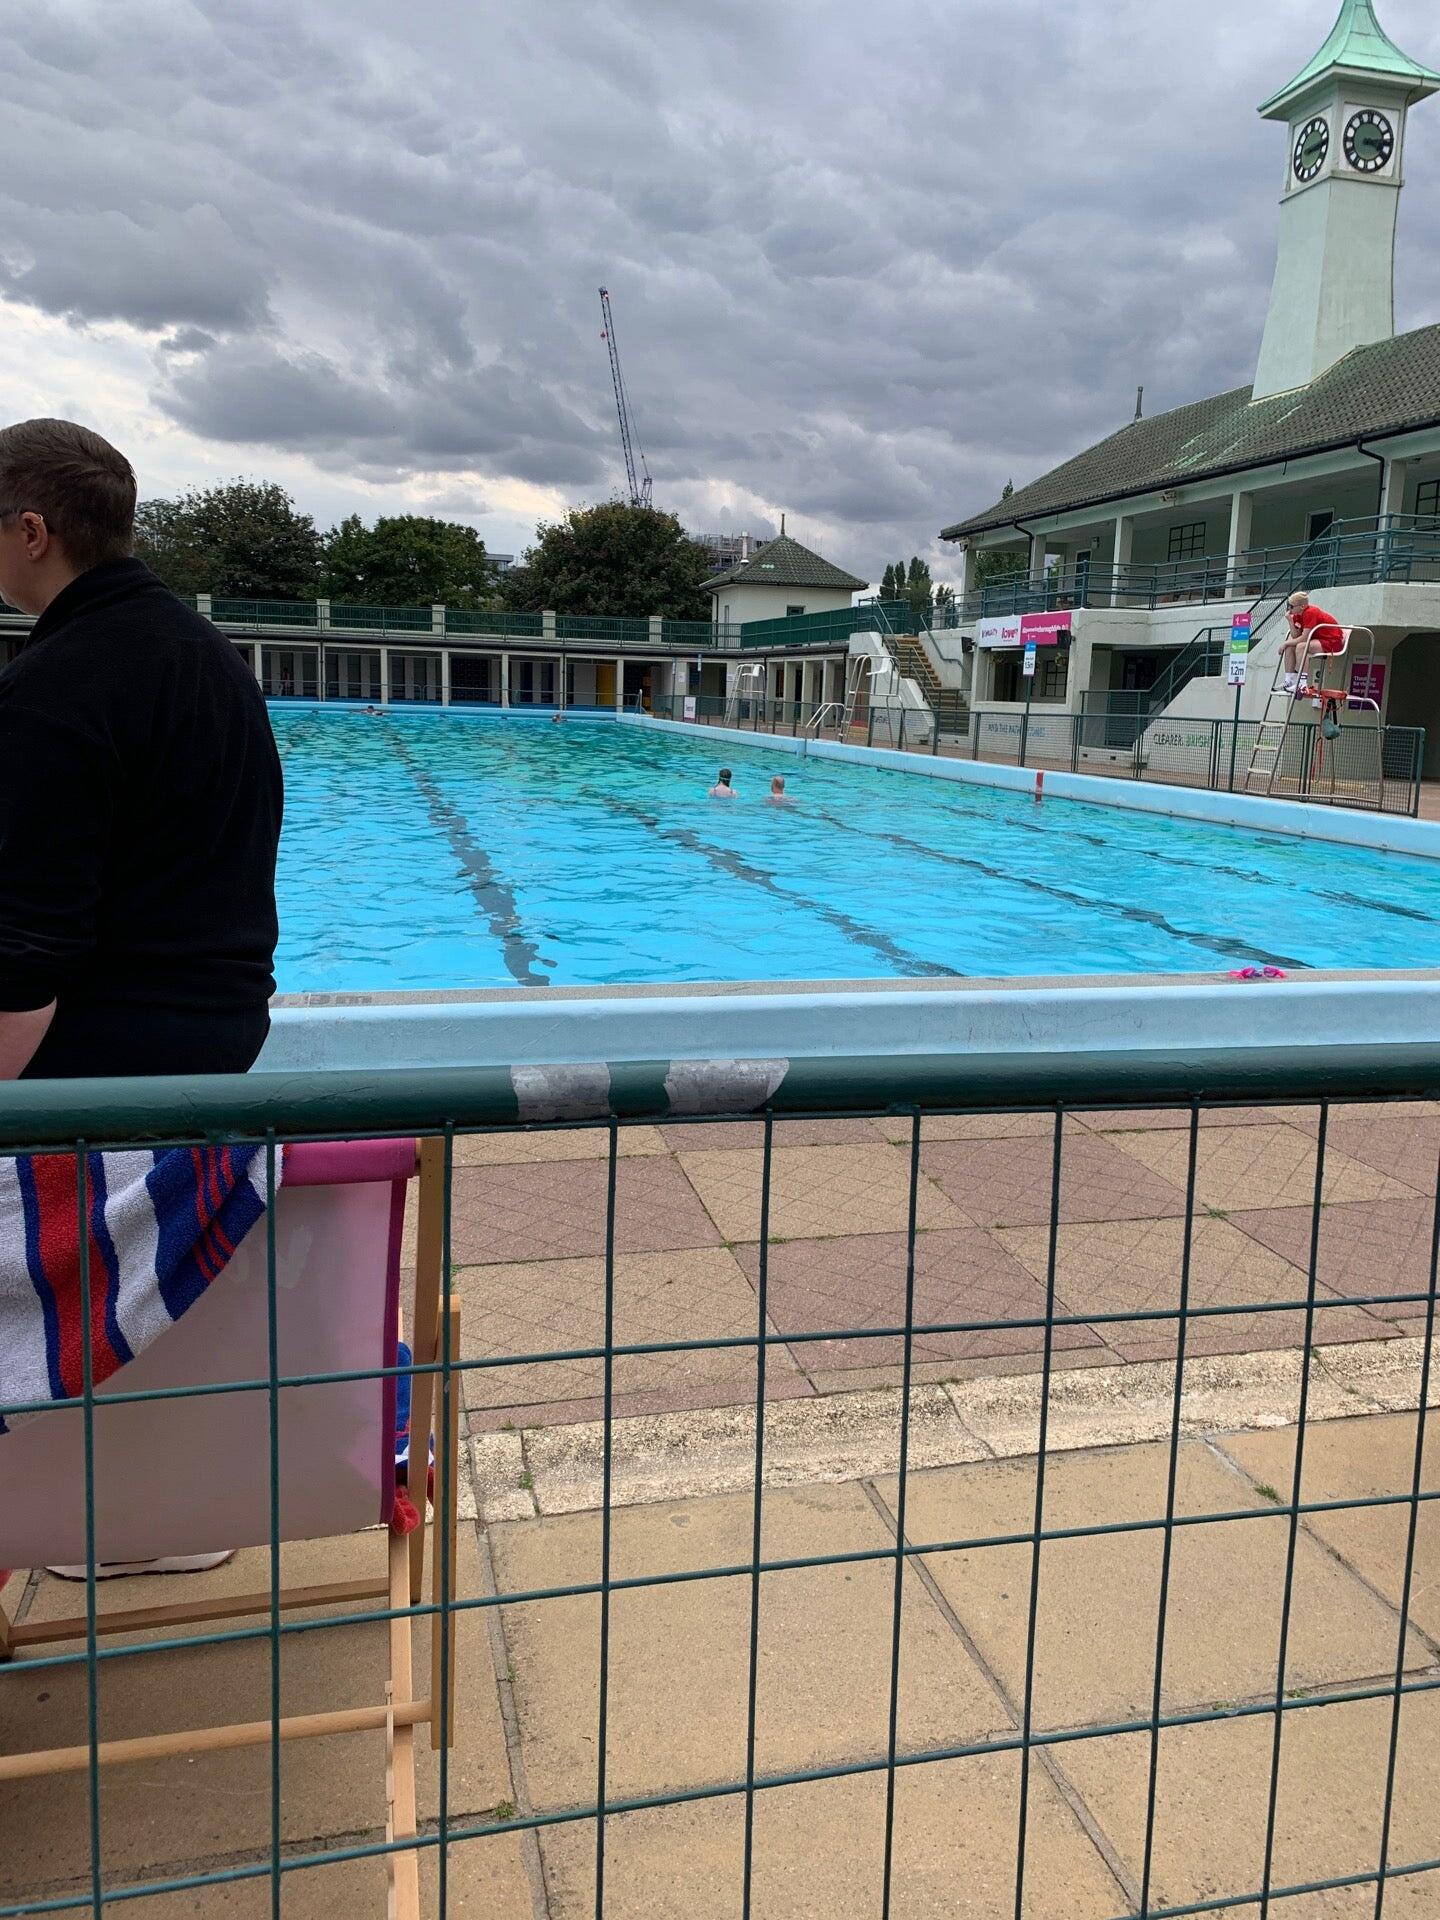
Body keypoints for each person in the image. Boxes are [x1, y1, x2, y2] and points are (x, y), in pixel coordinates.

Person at [0, 418, 284, 1081]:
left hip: (104, 1057)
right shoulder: (212, 659)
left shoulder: (55, 686)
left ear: (33, 533)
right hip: (224, 1035)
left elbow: (24, 952)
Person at [1280, 591, 1345, 695]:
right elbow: (1296, 636)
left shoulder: (1310, 612)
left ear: (1302, 606)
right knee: (1290, 647)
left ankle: (1302, 684)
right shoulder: (1297, 615)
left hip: (1331, 640)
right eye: (1288, 606)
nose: (1289, 609)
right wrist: (1290, 622)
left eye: (1291, 606)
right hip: (1317, 639)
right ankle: (1289, 680)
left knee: (1301, 647)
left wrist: (1286, 643)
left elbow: (1304, 638)